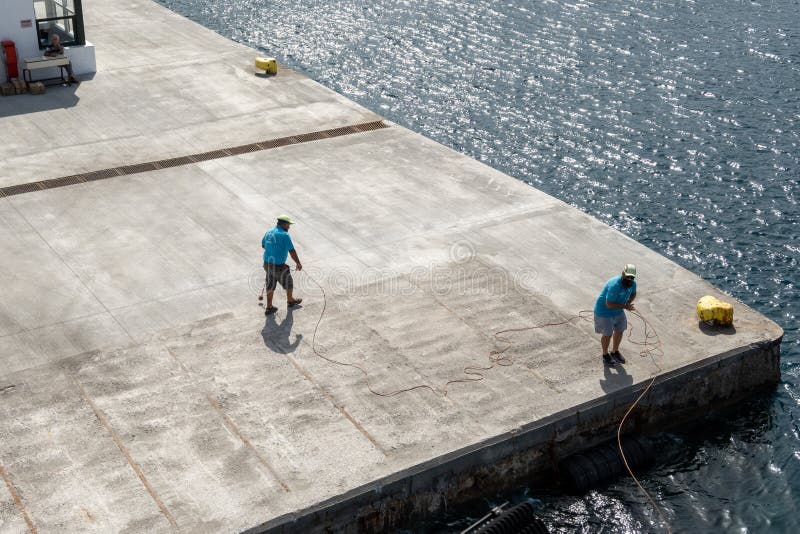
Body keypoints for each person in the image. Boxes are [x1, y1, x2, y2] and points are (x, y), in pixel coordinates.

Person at [594, 264, 638, 367]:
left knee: (620, 330)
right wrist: (625, 306)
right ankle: (605, 354)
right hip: (604, 312)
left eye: (632, 277)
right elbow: (609, 304)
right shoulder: (615, 285)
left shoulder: (632, 284)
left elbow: (633, 293)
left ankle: (615, 351)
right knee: (608, 333)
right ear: (623, 273)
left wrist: (628, 302)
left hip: (618, 310)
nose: (629, 279)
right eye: (627, 276)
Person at [261, 215, 303, 315]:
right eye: (288, 225)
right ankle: (290, 301)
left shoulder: (269, 232)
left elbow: (263, 245)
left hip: (267, 263)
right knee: (289, 282)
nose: (289, 227)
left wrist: (273, 250)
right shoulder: (284, 235)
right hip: (278, 266)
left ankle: (269, 307)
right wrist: (298, 263)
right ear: (283, 224)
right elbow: (292, 251)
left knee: (270, 284)